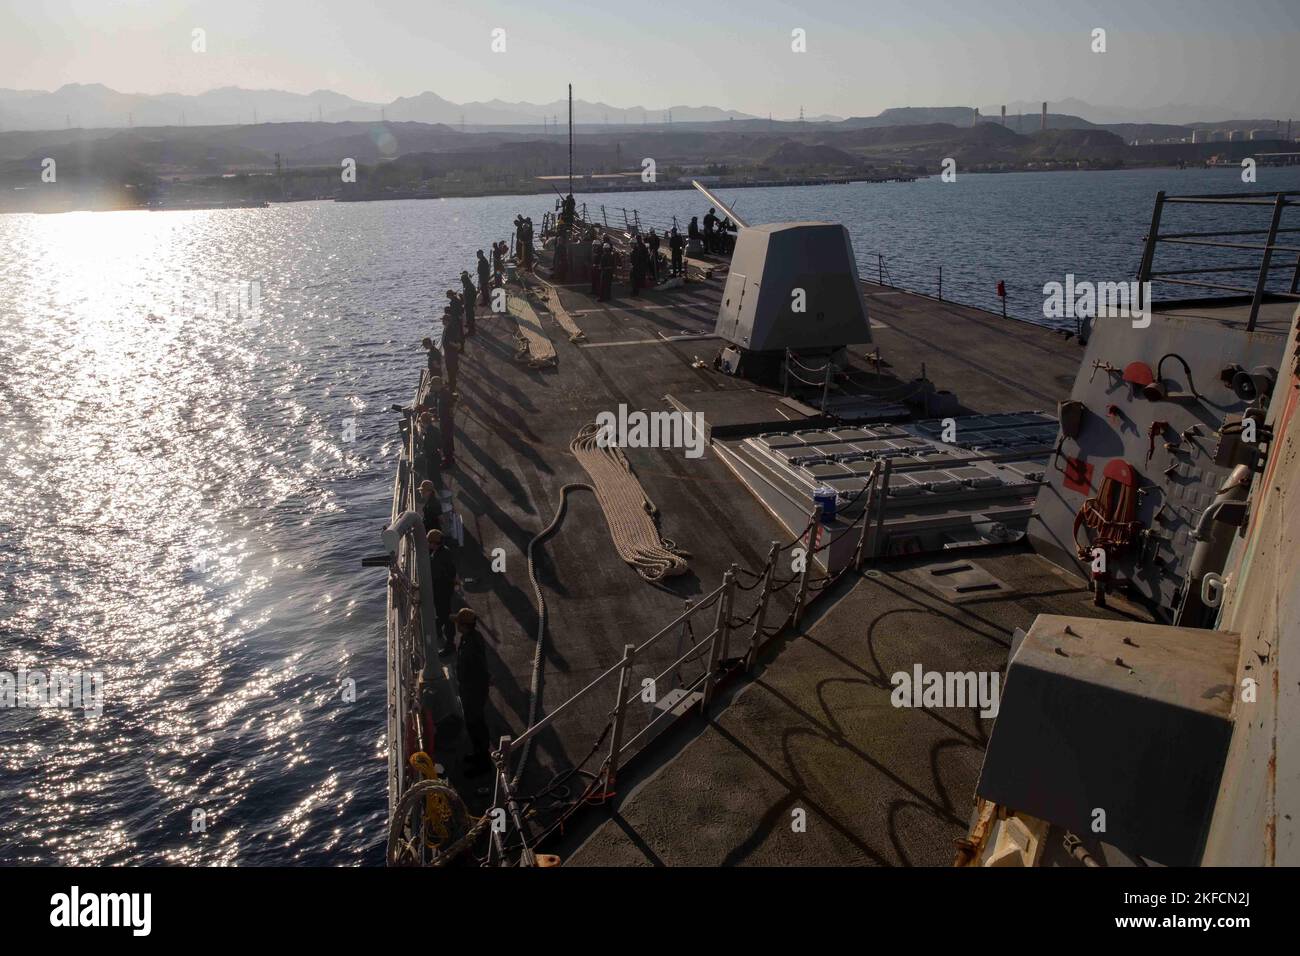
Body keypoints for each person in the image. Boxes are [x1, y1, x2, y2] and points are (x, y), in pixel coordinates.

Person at [453, 607, 492, 775]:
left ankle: (483, 763)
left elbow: (476, 669)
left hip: (473, 691)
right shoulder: (471, 638)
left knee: (475, 725)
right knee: (475, 723)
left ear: (463, 625)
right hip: (472, 689)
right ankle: (478, 754)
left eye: (458, 623)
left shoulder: (470, 646)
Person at [426, 529, 459, 657]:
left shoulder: (437, 559)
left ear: (434, 543)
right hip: (446, 589)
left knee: (445, 616)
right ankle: (438, 629)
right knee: (444, 614)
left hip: (441, 591)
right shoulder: (445, 551)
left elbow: (435, 575)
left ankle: (450, 645)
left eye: (429, 542)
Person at [438, 384, 456, 467]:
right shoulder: (446, 394)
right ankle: (451, 458)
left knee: (446, 441)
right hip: (449, 421)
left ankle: (447, 461)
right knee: (449, 439)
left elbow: (443, 409)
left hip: (445, 422)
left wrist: (437, 415)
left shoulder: (442, 397)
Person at [460, 271, 477, 337]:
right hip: (469, 304)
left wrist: (468, 303)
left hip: (469, 304)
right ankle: (470, 326)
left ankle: (471, 331)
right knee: (470, 316)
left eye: (462, 280)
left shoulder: (468, 287)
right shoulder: (469, 285)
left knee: (470, 316)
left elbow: (470, 296)